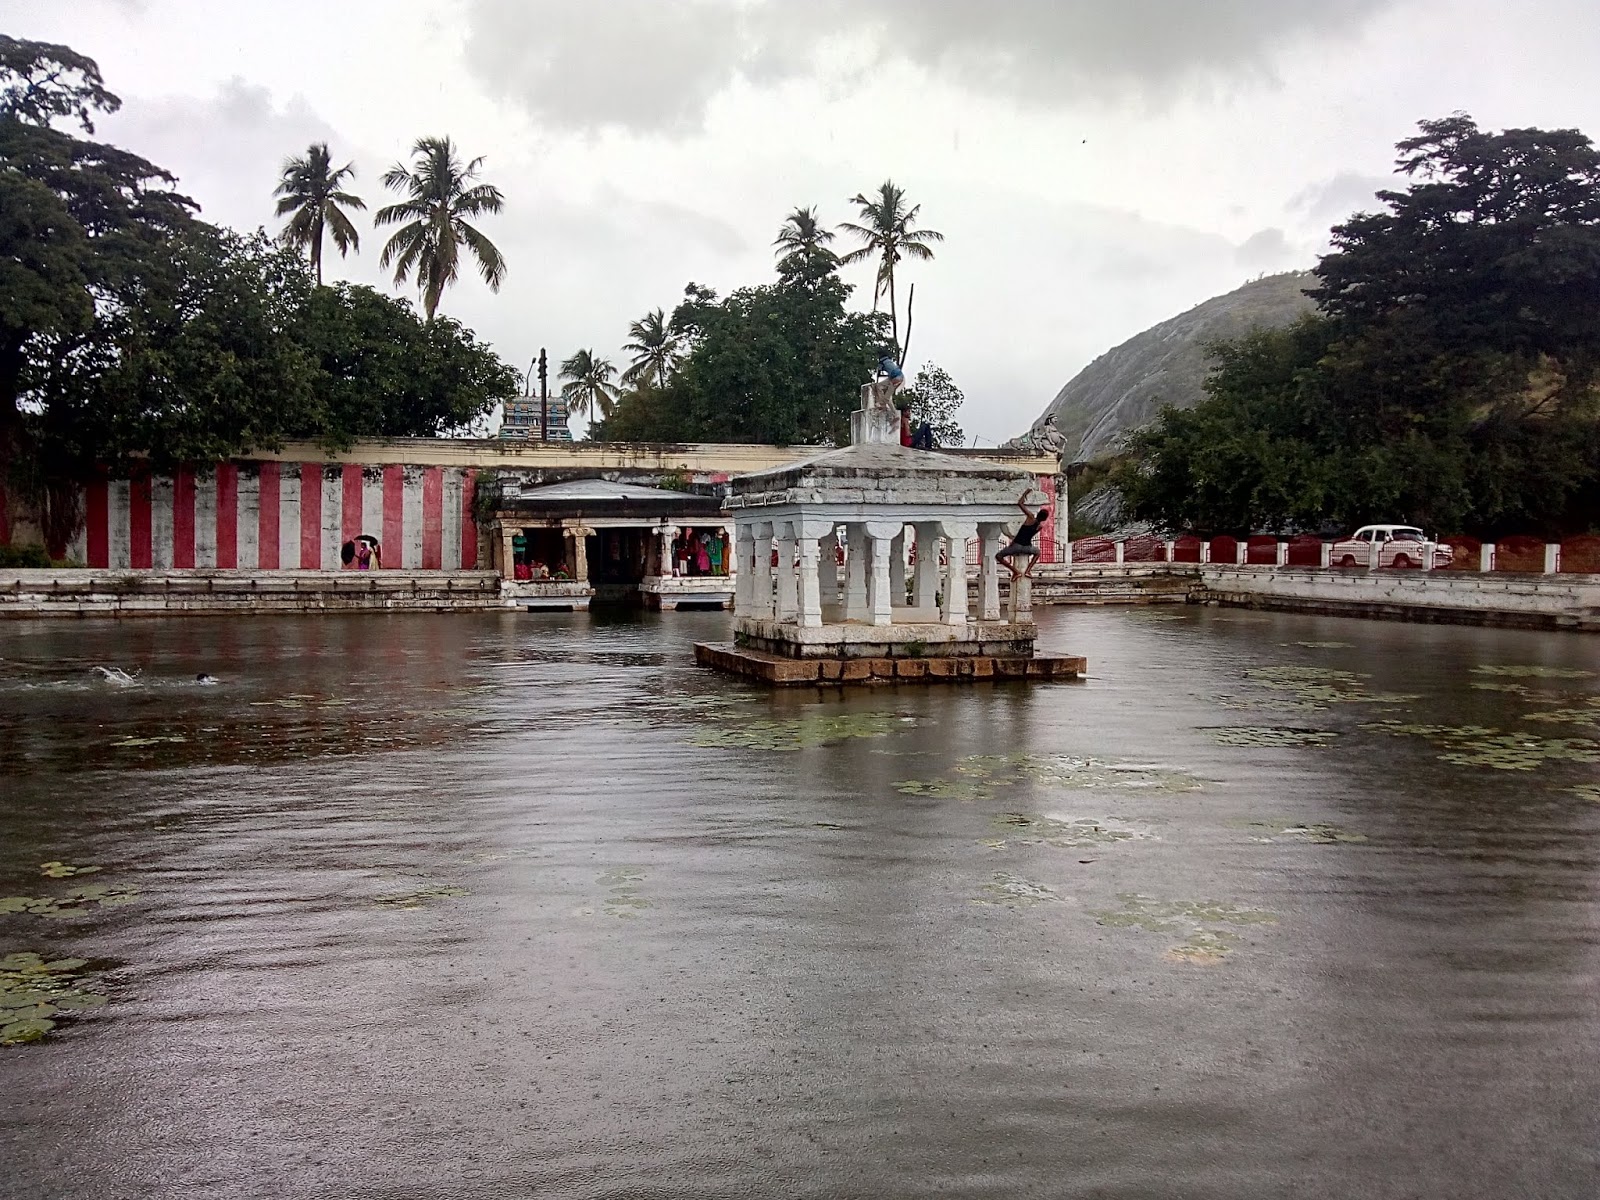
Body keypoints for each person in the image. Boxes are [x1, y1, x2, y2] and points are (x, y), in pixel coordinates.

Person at [996, 488, 1050, 580]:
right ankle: (1028, 570)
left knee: (999, 556)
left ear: (1038, 514)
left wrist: (1025, 493)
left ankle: (1015, 572)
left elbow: (1020, 503)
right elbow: (1028, 535)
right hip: (1027, 547)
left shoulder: (1031, 518)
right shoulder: (1039, 527)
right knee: (1037, 553)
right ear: (1044, 519)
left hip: (1017, 545)